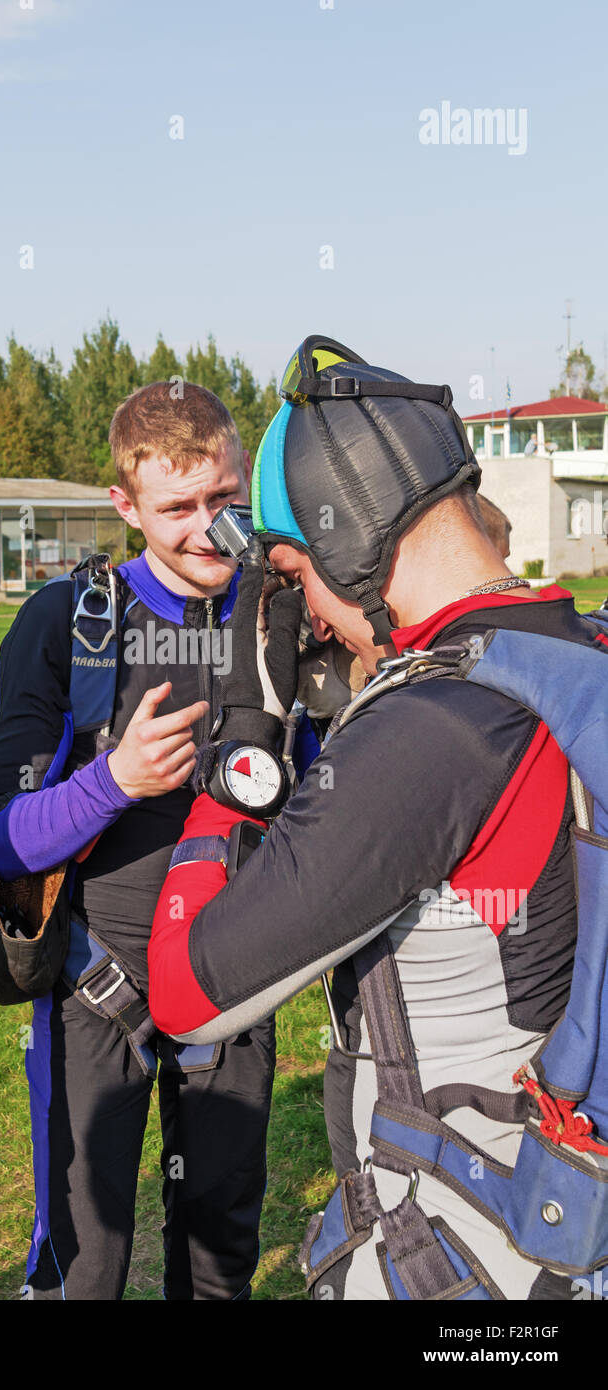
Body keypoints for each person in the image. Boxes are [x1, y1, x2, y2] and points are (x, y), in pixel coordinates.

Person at [146, 336, 604, 1300]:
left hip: (452, 1240)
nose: (303, 611)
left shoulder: (433, 723)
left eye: (293, 572)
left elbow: (187, 993)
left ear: (348, 539)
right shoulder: (581, 648)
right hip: (564, 1201)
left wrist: (239, 754)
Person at [0, 381, 284, 1300]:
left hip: (239, 975)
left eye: (225, 501)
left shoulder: (281, 615)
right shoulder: (68, 623)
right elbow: (2, 843)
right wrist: (115, 782)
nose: (206, 531)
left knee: (223, 1248)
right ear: (125, 506)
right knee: (87, 1258)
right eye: (177, 508)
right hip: (95, 985)